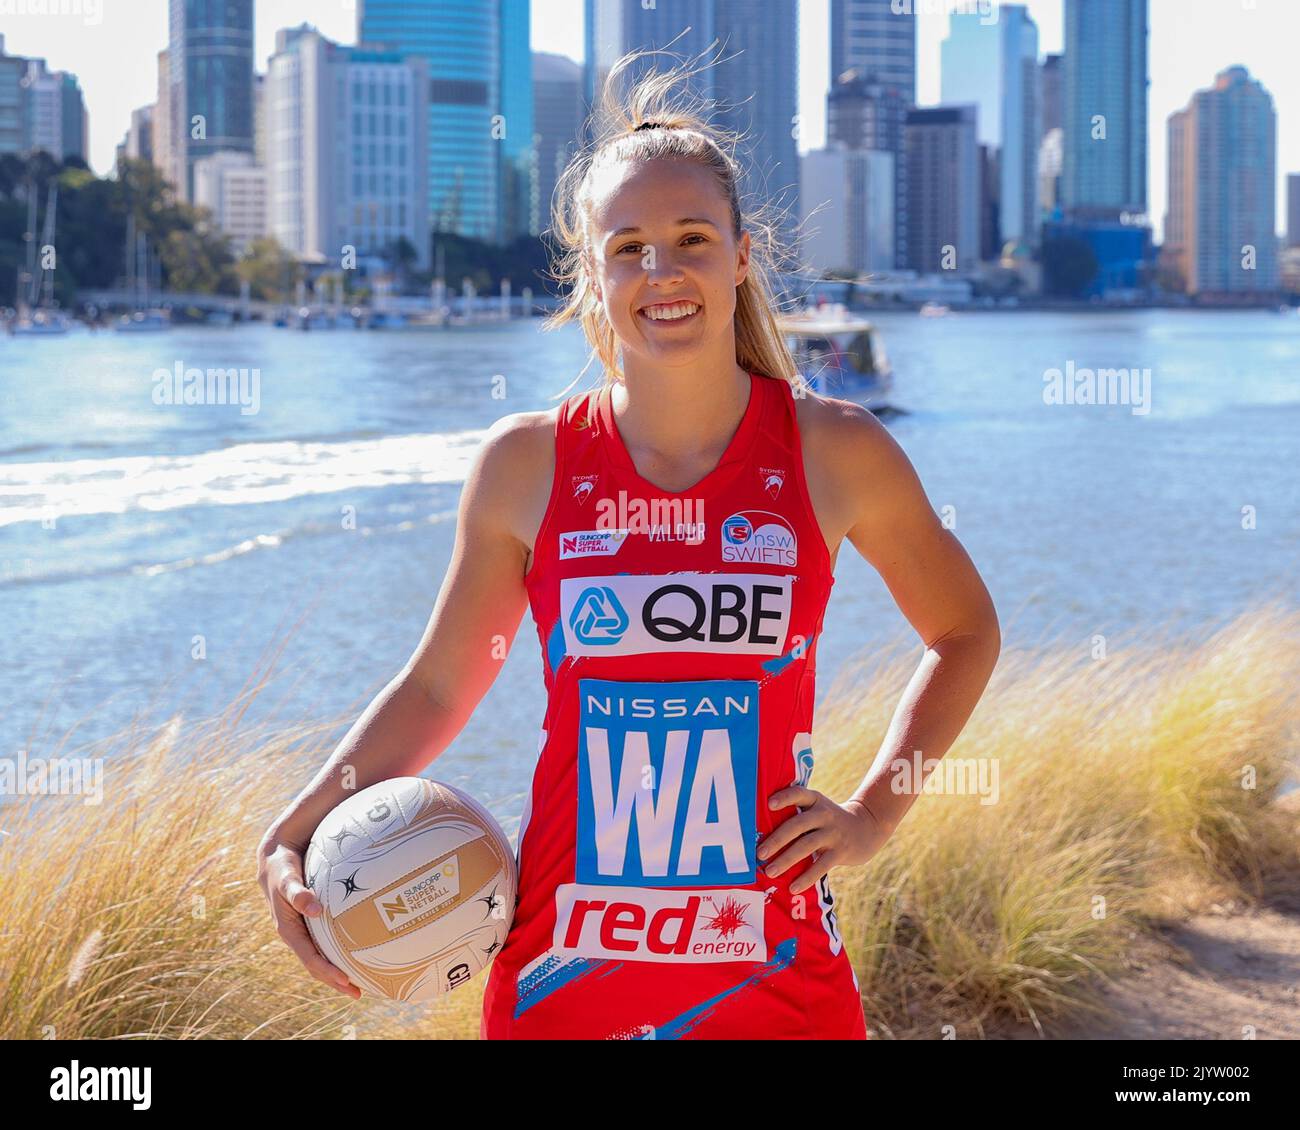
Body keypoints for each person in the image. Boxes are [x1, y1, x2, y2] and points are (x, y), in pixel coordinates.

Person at [256, 50, 1000, 1040]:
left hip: (775, 978)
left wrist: (869, 815)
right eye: (628, 246)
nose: (662, 270)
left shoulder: (833, 450)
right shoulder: (527, 463)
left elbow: (964, 630)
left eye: (692, 237)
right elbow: (440, 687)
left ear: (740, 254)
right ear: (592, 272)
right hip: (565, 977)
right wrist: (294, 827)